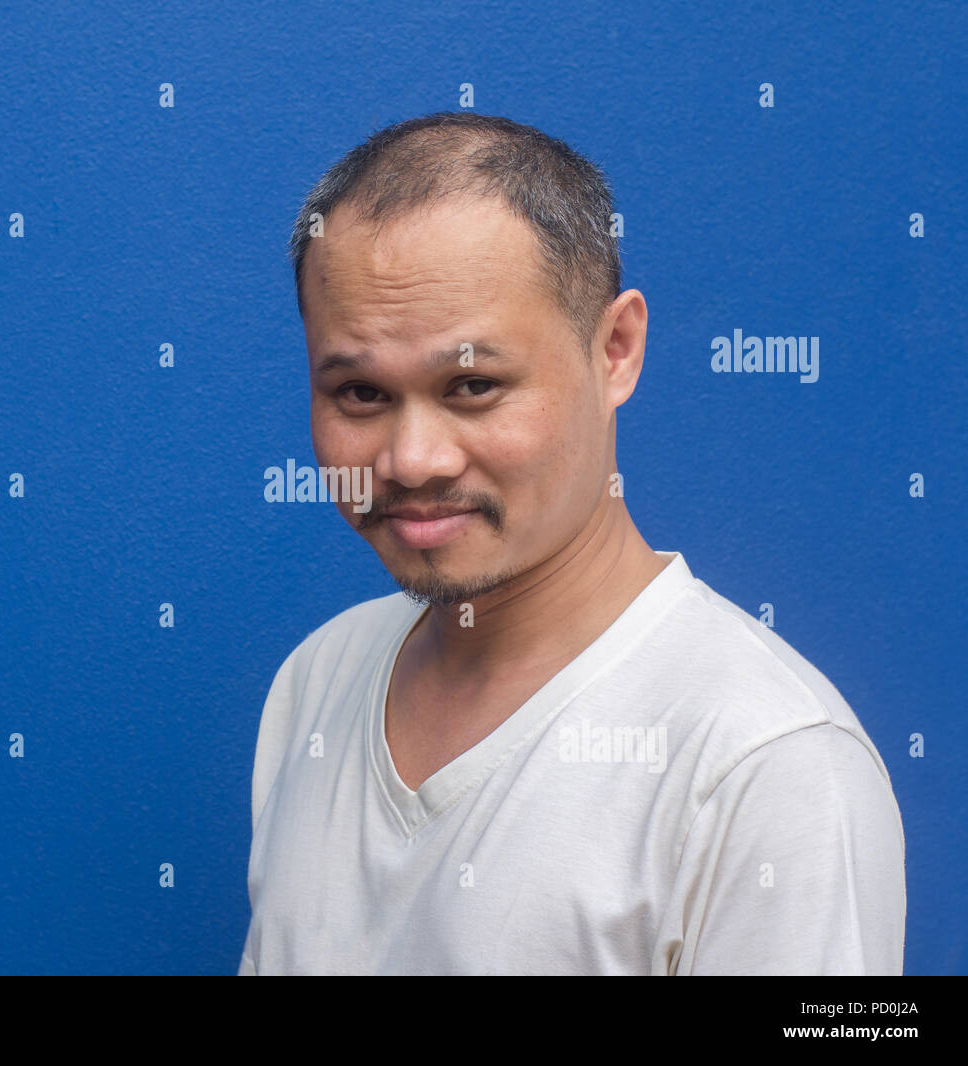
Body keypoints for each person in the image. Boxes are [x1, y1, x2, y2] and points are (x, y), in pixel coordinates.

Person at [238, 112, 905, 975]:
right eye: (361, 394)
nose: (412, 460)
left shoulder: (772, 766)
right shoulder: (317, 684)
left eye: (474, 385)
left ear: (616, 350)